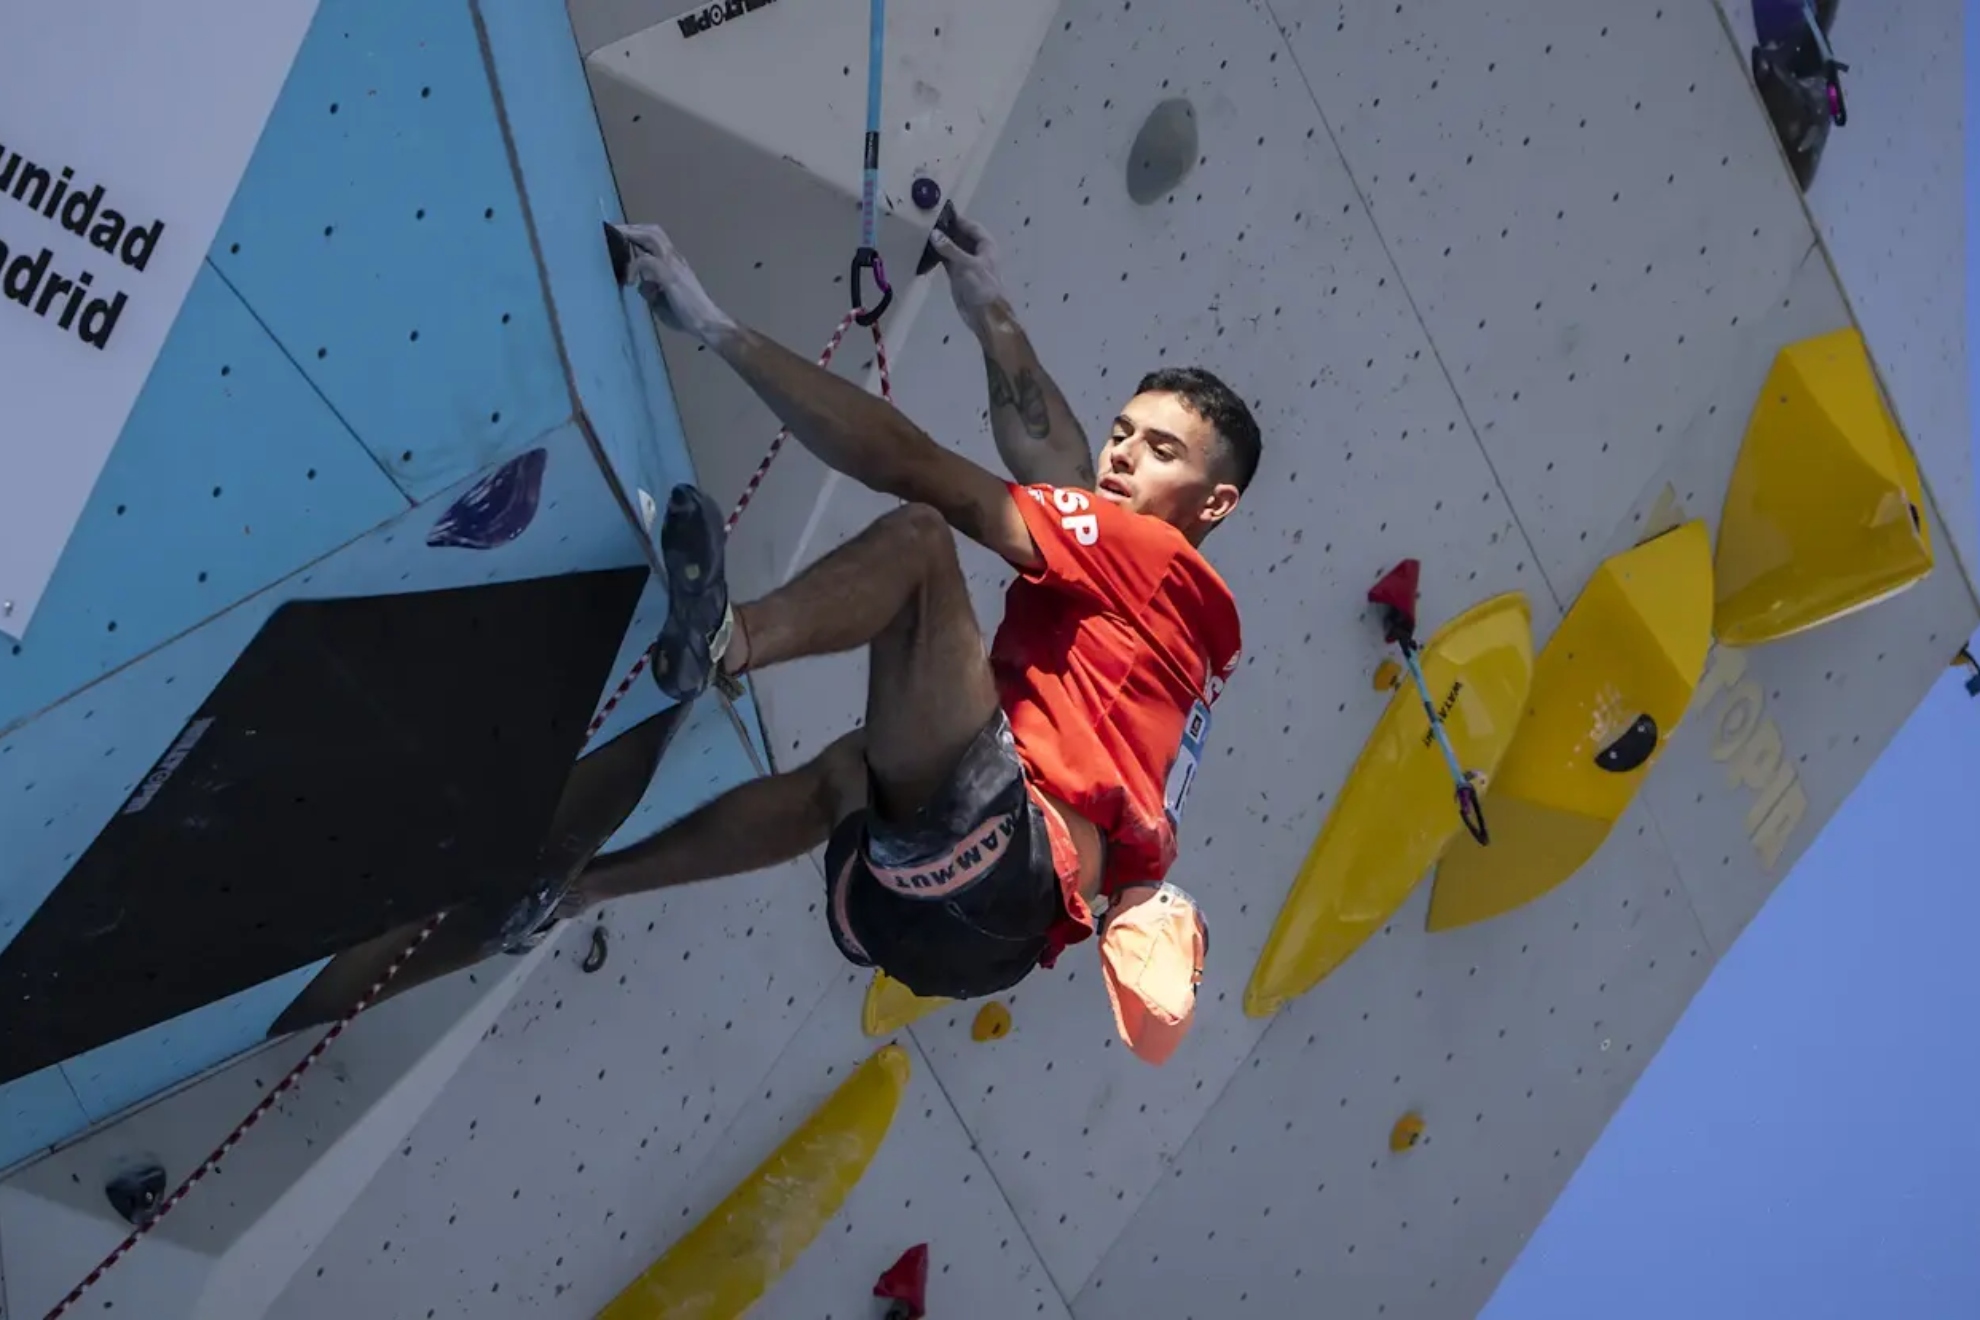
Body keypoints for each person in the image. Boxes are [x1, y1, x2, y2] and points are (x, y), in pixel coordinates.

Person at [572, 213, 1261, 1065]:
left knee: (922, 545)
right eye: (1121, 433)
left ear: (1215, 503)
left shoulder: (1142, 556)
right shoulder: (1185, 640)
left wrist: (712, 323)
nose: (1121, 457)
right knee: (849, 771)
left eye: (1160, 451)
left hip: (999, 856)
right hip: (955, 935)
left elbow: (924, 470)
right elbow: (1058, 459)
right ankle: (581, 887)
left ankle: (728, 639)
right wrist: (987, 306)